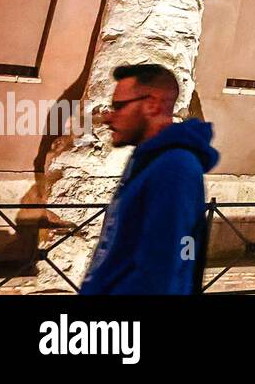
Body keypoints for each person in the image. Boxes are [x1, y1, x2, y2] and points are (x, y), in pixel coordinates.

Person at [79, 63, 219, 295]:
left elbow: (165, 270)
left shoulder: (174, 167)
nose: (108, 118)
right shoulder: (149, 160)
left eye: (119, 106)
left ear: (152, 104)